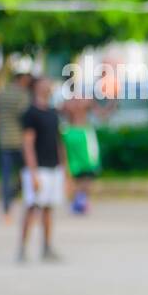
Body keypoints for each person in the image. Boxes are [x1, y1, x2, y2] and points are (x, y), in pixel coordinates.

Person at [17, 76, 68, 263]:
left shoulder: (53, 113)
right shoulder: (31, 113)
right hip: (37, 168)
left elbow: (58, 142)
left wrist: (65, 169)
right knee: (32, 208)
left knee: (48, 208)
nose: (49, 86)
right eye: (45, 83)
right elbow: (28, 143)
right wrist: (32, 172)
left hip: (53, 167)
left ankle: (46, 247)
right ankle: (22, 248)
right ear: (37, 87)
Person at [62, 86, 116, 215]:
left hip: (71, 133)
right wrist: (113, 101)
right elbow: (102, 114)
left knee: (79, 170)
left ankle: (79, 199)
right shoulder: (85, 101)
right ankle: (79, 199)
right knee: (86, 170)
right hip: (81, 133)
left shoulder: (67, 104)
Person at [0, 71, 31, 223]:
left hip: (4, 141)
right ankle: (30, 208)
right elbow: (27, 119)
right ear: (21, 80)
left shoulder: (1, 94)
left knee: (5, 178)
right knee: (27, 177)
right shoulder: (24, 96)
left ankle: (6, 212)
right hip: (20, 143)